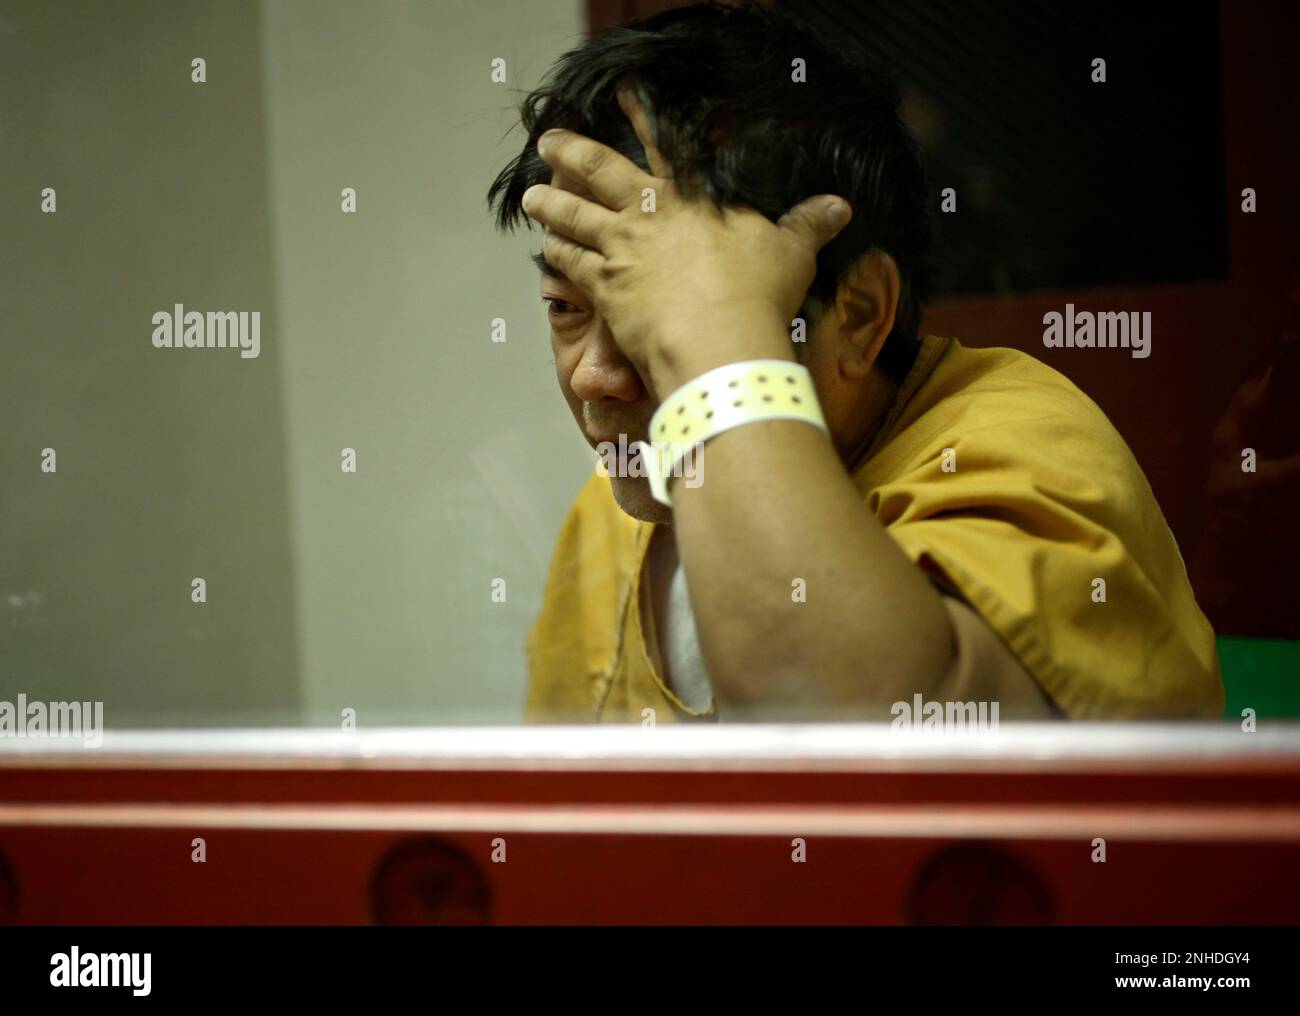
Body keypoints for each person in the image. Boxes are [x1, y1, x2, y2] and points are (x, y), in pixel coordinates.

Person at [486, 1, 1222, 723]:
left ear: (862, 315)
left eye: (655, 320)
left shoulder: (1020, 438)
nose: (591, 377)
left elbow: (862, 764)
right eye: (566, 310)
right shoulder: (615, 513)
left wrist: (714, 340)